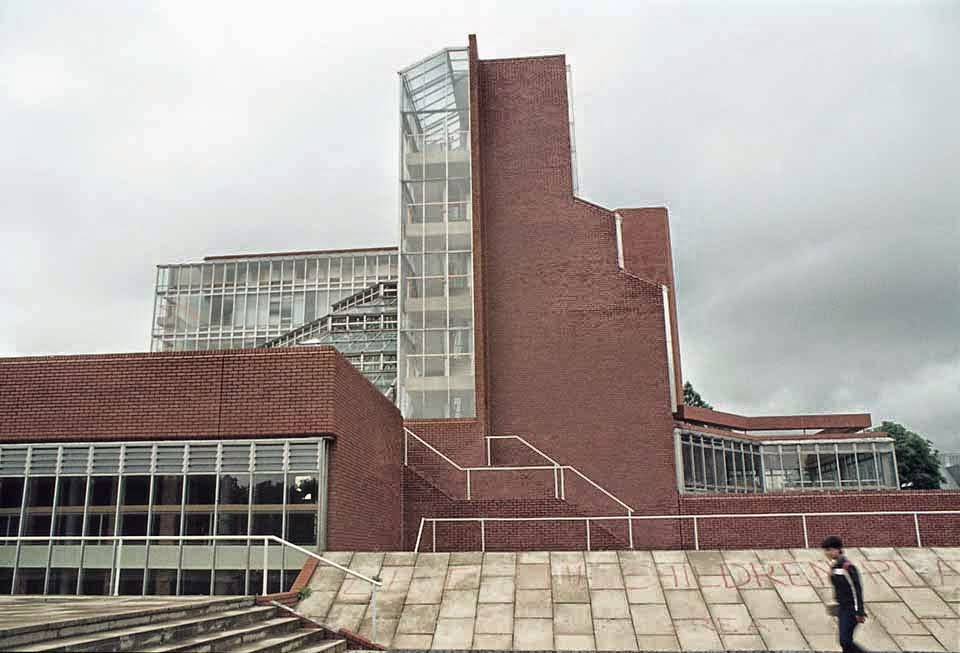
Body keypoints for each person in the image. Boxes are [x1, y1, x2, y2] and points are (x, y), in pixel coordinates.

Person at [822, 535, 868, 653]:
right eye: (825, 550)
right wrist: (830, 574)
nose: (826, 553)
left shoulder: (847, 566)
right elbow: (836, 585)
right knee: (845, 642)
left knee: (845, 641)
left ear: (837, 549)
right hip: (842, 608)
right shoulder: (835, 566)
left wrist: (860, 611)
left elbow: (856, 589)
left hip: (851, 608)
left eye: (828, 550)